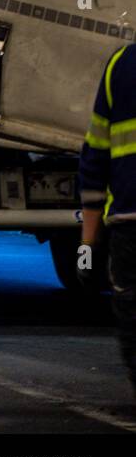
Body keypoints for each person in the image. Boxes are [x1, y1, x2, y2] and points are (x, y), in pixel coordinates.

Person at [79, 44, 136, 399]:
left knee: (133, 311)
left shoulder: (121, 63)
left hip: (129, 223)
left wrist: (87, 243)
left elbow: (94, 157)